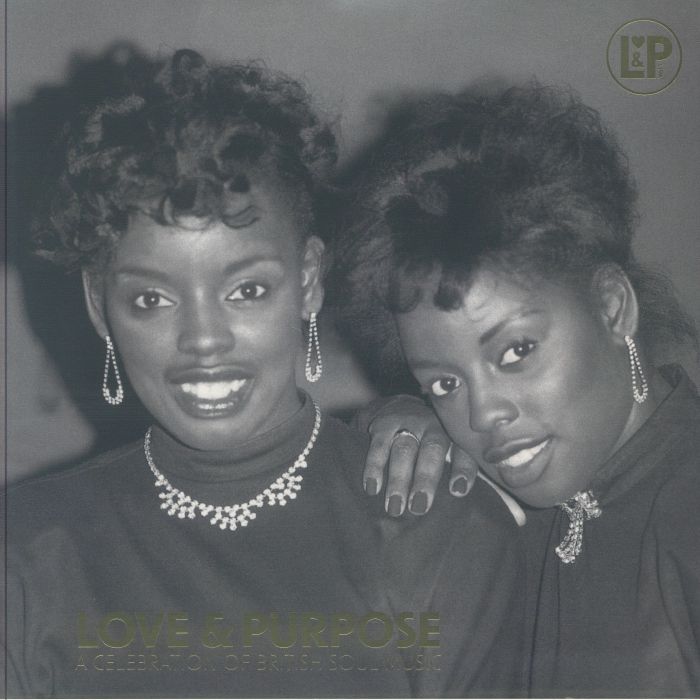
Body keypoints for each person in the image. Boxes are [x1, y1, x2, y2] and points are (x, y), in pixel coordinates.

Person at [3, 49, 526, 698]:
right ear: (98, 305)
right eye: (151, 299)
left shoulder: (440, 525)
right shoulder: (26, 551)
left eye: (247, 290)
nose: (203, 339)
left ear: (307, 282)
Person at [332, 83, 700, 697]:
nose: (482, 414)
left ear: (613, 307)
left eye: (516, 351)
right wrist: (396, 426)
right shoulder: (512, 510)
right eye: (444, 383)